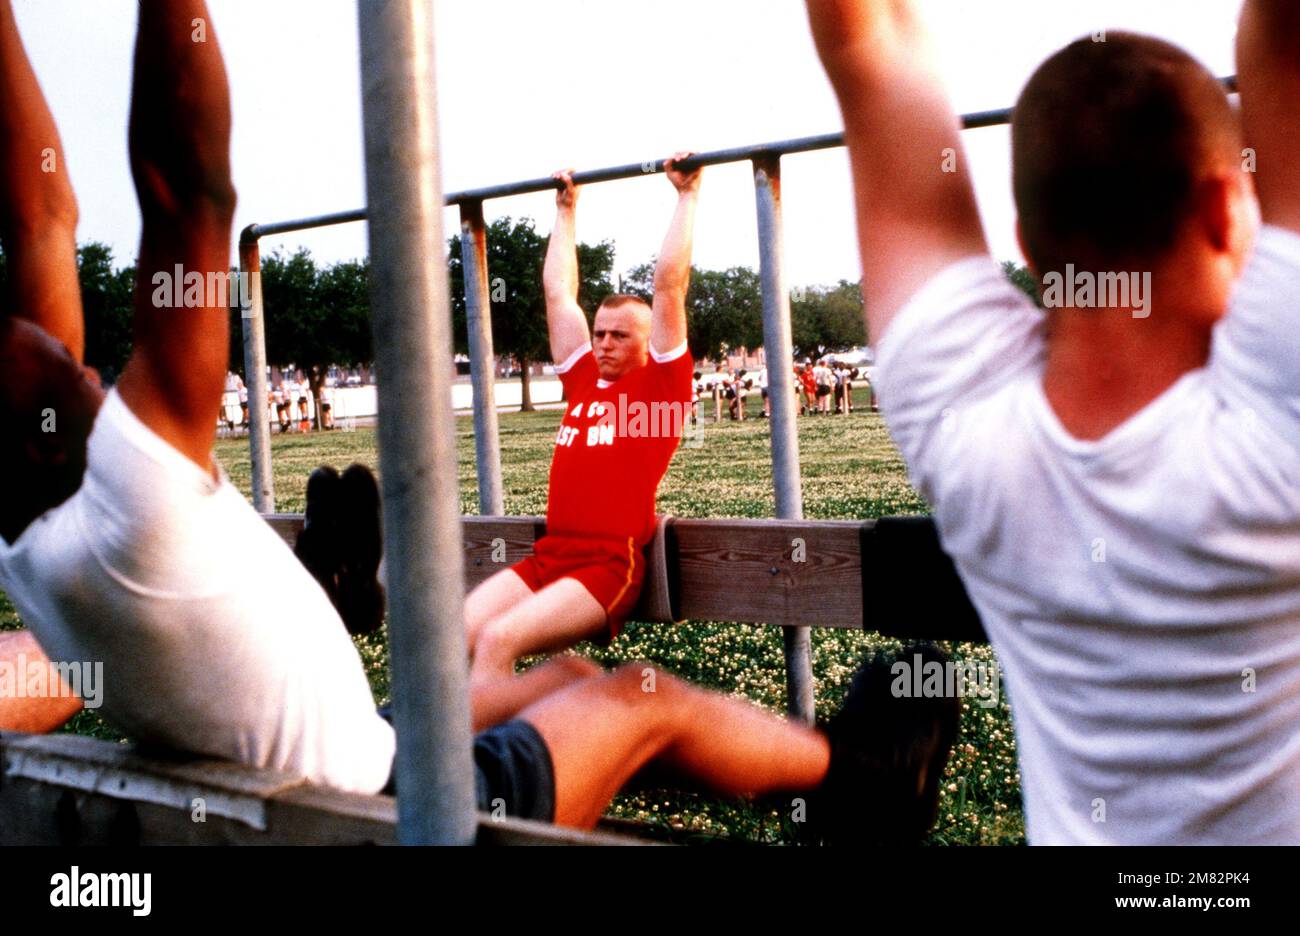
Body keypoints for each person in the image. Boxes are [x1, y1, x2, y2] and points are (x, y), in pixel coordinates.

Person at [0, 0, 961, 843]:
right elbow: (183, 187)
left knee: (564, 678)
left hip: (372, 733)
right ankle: (857, 783)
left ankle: (755, 773)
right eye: (74, 371)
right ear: (46, 431)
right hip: (379, 803)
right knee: (635, 697)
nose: (90, 363)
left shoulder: (33, 531)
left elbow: (41, 218)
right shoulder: (130, 497)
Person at [807, 0, 1300, 844]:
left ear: (1029, 245)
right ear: (1223, 210)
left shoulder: (962, 418)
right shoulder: (1277, 418)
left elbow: (870, 43)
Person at [462, 158, 700, 689]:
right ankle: (490, 739)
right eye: (600, 333)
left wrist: (686, 197)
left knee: (500, 640)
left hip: (605, 567)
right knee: (460, 630)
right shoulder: (584, 380)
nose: (605, 343)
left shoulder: (661, 390)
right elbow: (558, 294)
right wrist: (566, 211)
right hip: (552, 555)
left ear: (647, 345)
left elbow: (668, 287)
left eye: (620, 335)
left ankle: (490, 764)